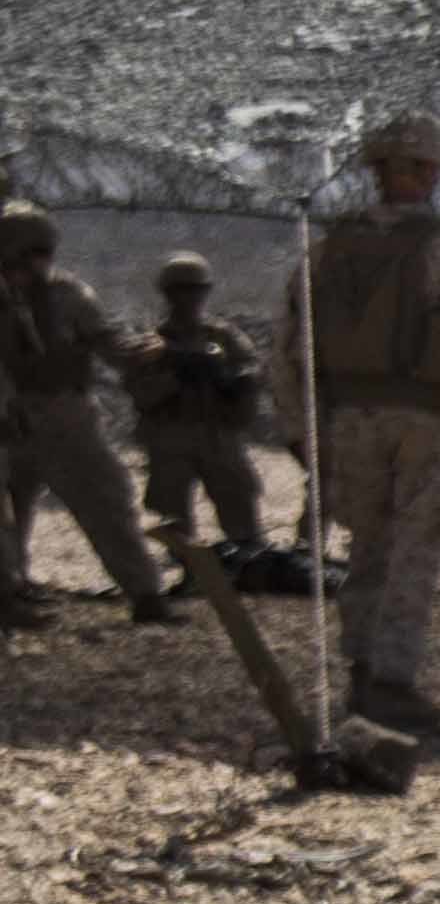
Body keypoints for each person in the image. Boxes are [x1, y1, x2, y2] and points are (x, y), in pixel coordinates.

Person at [282, 111, 440, 739]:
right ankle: (391, 685)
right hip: (425, 420)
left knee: (368, 549)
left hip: (348, 418)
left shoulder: (326, 249)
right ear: (431, 171)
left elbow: (292, 343)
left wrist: (299, 428)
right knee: (417, 551)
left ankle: (363, 678)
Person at [0, 205, 180, 631]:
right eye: (28, 252)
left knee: (106, 501)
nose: (37, 262)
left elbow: (105, 338)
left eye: (43, 252)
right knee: (7, 515)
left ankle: (146, 593)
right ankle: (9, 597)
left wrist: (139, 355)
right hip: (10, 418)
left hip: (67, 417)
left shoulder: (68, 295)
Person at [121, 252, 273, 564]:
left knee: (238, 501)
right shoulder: (152, 342)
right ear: (167, 293)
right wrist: (179, 371)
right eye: (180, 289)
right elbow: (141, 392)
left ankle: (251, 565)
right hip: (170, 434)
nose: (188, 297)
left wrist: (227, 376)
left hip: (218, 431)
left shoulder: (224, 336)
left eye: (195, 289)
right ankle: (188, 569)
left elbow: (252, 372)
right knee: (172, 511)